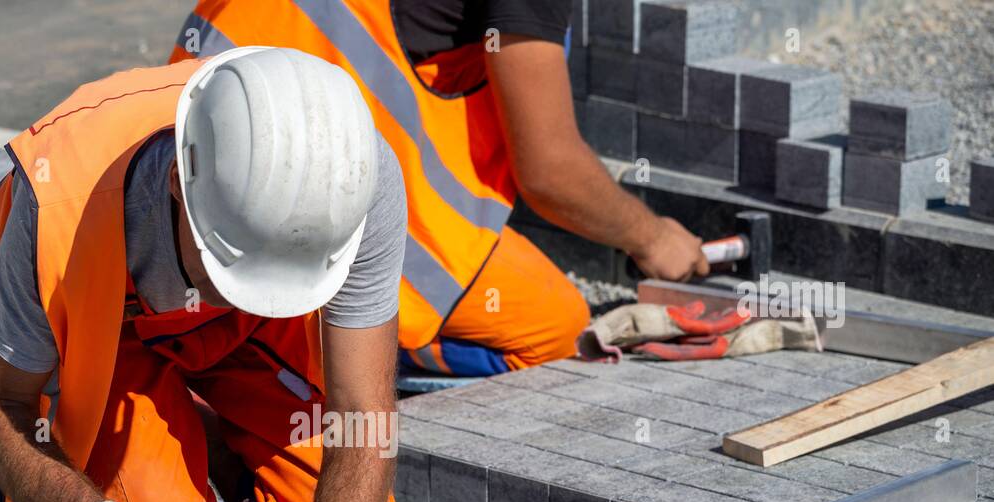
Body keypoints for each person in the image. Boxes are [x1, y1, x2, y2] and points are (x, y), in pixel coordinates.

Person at [0, 48, 408, 502]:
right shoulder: (62, 200)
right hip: (81, 335)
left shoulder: (351, 180)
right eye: (235, 269)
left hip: (221, 334)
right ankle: (21, 488)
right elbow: (1, 404)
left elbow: (364, 416)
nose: (256, 292)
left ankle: (204, 436)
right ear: (176, 190)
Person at [171, 0, 709, 376]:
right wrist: (652, 237)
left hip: (192, 134)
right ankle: (355, 349)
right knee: (557, 326)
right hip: (309, 184)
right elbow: (550, 171)